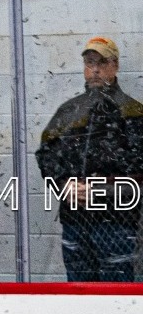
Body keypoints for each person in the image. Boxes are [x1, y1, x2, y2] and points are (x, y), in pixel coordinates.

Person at [37, 36, 143, 282]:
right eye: (89, 62)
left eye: (101, 62)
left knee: (116, 297)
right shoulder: (68, 112)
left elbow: (140, 170)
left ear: (114, 66)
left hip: (117, 222)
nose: (94, 69)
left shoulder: (133, 112)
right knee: (77, 294)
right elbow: (46, 155)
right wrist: (64, 185)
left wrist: (98, 190)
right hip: (75, 220)